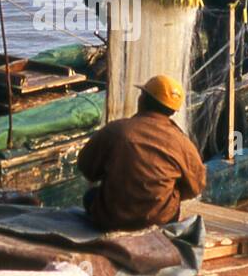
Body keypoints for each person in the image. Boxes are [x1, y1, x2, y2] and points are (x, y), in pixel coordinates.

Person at [77, 74, 206, 231]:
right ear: (172, 111)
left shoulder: (116, 130)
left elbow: (86, 167)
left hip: (111, 219)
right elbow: (196, 186)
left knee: (90, 196)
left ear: (142, 101)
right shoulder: (182, 143)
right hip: (159, 220)